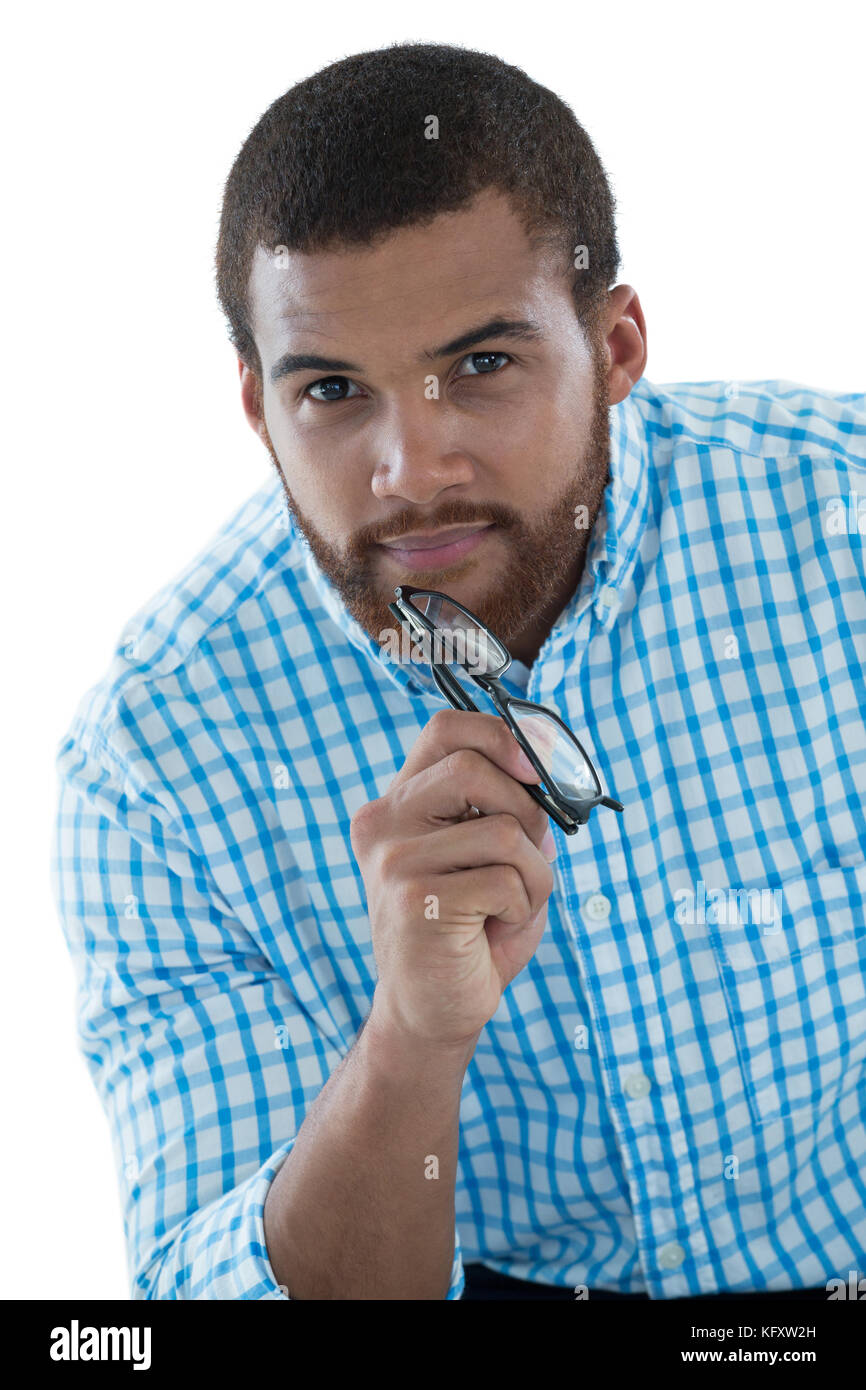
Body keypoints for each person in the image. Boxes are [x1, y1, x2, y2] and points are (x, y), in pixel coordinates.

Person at [52, 41, 866, 1301]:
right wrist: (411, 1046)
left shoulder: (843, 533)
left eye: (479, 365)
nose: (409, 468)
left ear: (616, 344)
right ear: (261, 411)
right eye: (332, 390)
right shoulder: (160, 762)